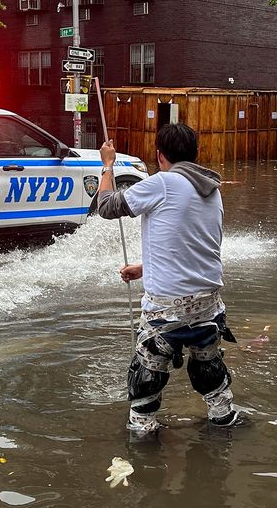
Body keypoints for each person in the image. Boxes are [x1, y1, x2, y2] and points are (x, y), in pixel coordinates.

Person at [96, 124, 243, 435]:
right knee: (209, 370)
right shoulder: (211, 189)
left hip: (167, 310)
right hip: (209, 306)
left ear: (160, 156)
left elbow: (106, 207)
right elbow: (192, 246)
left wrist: (107, 165)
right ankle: (223, 420)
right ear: (194, 154)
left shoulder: (162, 183)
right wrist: (144, 268)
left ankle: (144, 439)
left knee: (146, 376)